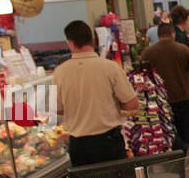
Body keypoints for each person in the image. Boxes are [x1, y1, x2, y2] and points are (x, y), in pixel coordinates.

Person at [53, 19, 140, 166]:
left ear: (70, 43)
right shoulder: (110, 67)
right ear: (93, 40)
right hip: (108, 142)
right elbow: (132, 104)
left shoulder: (59, 72)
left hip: (78, 145)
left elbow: (58, 109)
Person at [141, 23, 189, 149]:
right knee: (185, 132)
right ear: (173, 34)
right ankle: (187, 157)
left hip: (158, 102)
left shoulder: (148, 53)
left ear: (158, 35)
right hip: (182, 96)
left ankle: (172, 158)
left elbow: (142, 77)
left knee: (165, 135)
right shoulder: (183, 49)